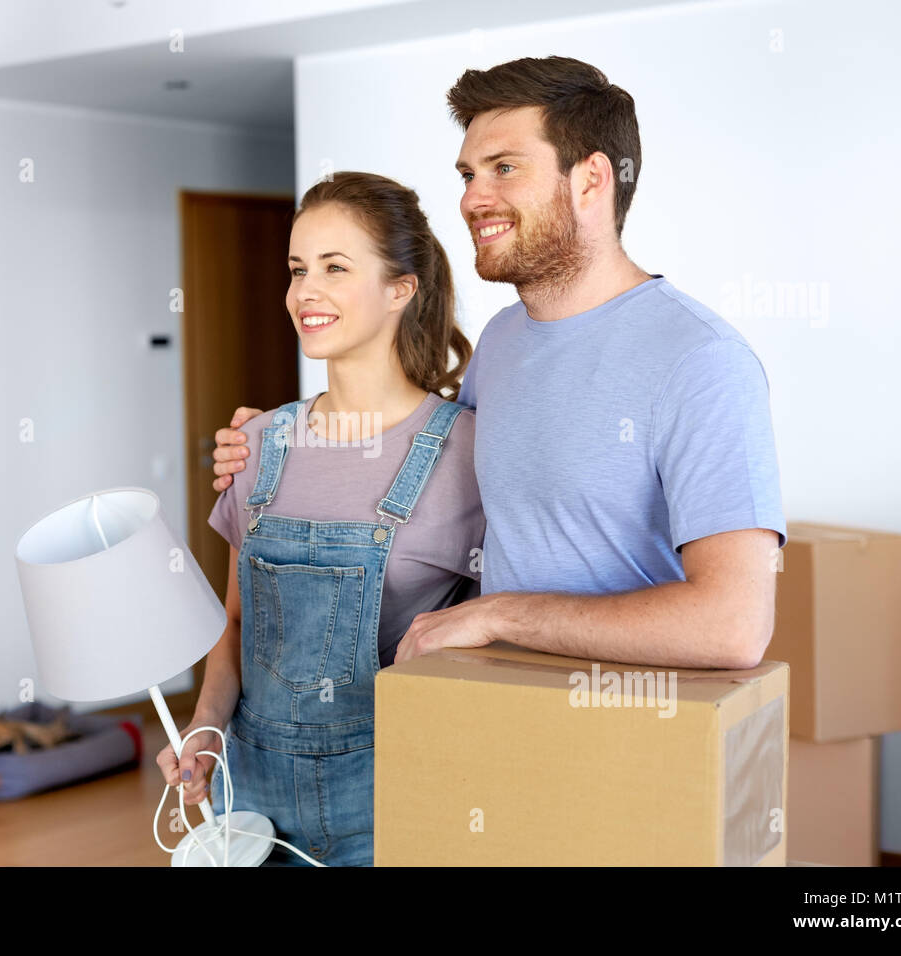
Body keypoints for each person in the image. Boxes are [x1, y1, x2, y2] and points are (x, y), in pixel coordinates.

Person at [212, 56, 787, 674]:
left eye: (504, 169)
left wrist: (498, 615)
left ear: (592, 179)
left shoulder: (701, 360)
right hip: (495, 723)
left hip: (627, 739)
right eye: (467, 174)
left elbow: (734, 626)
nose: (471, 200)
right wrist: (281, 441)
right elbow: (422, 457)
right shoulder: (505, 339)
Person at [156, 171, 484, 866]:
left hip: (397, 805)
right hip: (255, 809)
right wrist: (205, 728)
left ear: (401, 288)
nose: (306, 292)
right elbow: (237, 627)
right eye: (297, 269)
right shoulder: (258, 444)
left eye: (336, 268)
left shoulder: (468, 452)